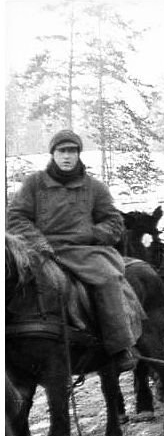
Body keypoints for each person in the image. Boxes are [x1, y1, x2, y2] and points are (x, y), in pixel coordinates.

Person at [7, 129, 137, 371]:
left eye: (72, 151)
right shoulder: (34, 184)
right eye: (61, 151)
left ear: (78, 155)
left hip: (84, 252)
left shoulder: (94, 188)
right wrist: (38, 242)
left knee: (108, 279)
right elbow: (16, 217)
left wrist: (91, 234)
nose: (67, 156)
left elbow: (113, 221)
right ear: (53, 154)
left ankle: (120, 346)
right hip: (40, 251)